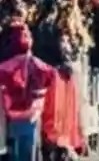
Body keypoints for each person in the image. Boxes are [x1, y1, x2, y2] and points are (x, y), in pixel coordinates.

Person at [0, 22, 57, 161]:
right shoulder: (35, 63)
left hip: (11, 115)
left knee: (14, 149)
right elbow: (50, 75)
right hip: (31, 114)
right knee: (30, 148)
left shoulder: (6, 66)